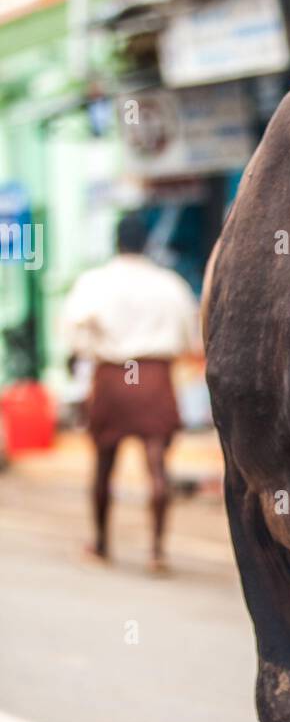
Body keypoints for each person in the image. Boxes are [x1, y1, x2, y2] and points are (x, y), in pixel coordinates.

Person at [61, 212, 201, 573]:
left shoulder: (94, 282)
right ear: (146, 243)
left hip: (112, 378)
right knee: (157, 466)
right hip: (154, 380)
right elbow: (191, 337)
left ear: (116, 241)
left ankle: (103, 544)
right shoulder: (170, 284)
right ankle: (157, 552)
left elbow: (75, 331)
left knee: (103, 466)